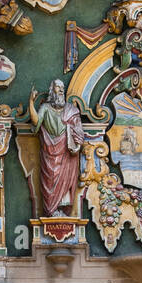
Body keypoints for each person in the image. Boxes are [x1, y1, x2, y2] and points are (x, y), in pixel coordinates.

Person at [28, 78, 84, 216]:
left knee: (65, 180)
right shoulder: (45, 108)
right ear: (51, 90)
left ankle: (63, 208)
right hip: (49, 151)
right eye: (58, 87)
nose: (61, 90)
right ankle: (51, 211)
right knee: (51, 178)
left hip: (66, 152)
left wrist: (74, 135)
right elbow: (36, 122)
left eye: (62, 87)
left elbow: (79, 130)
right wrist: (31, 102)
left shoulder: (71, 110)